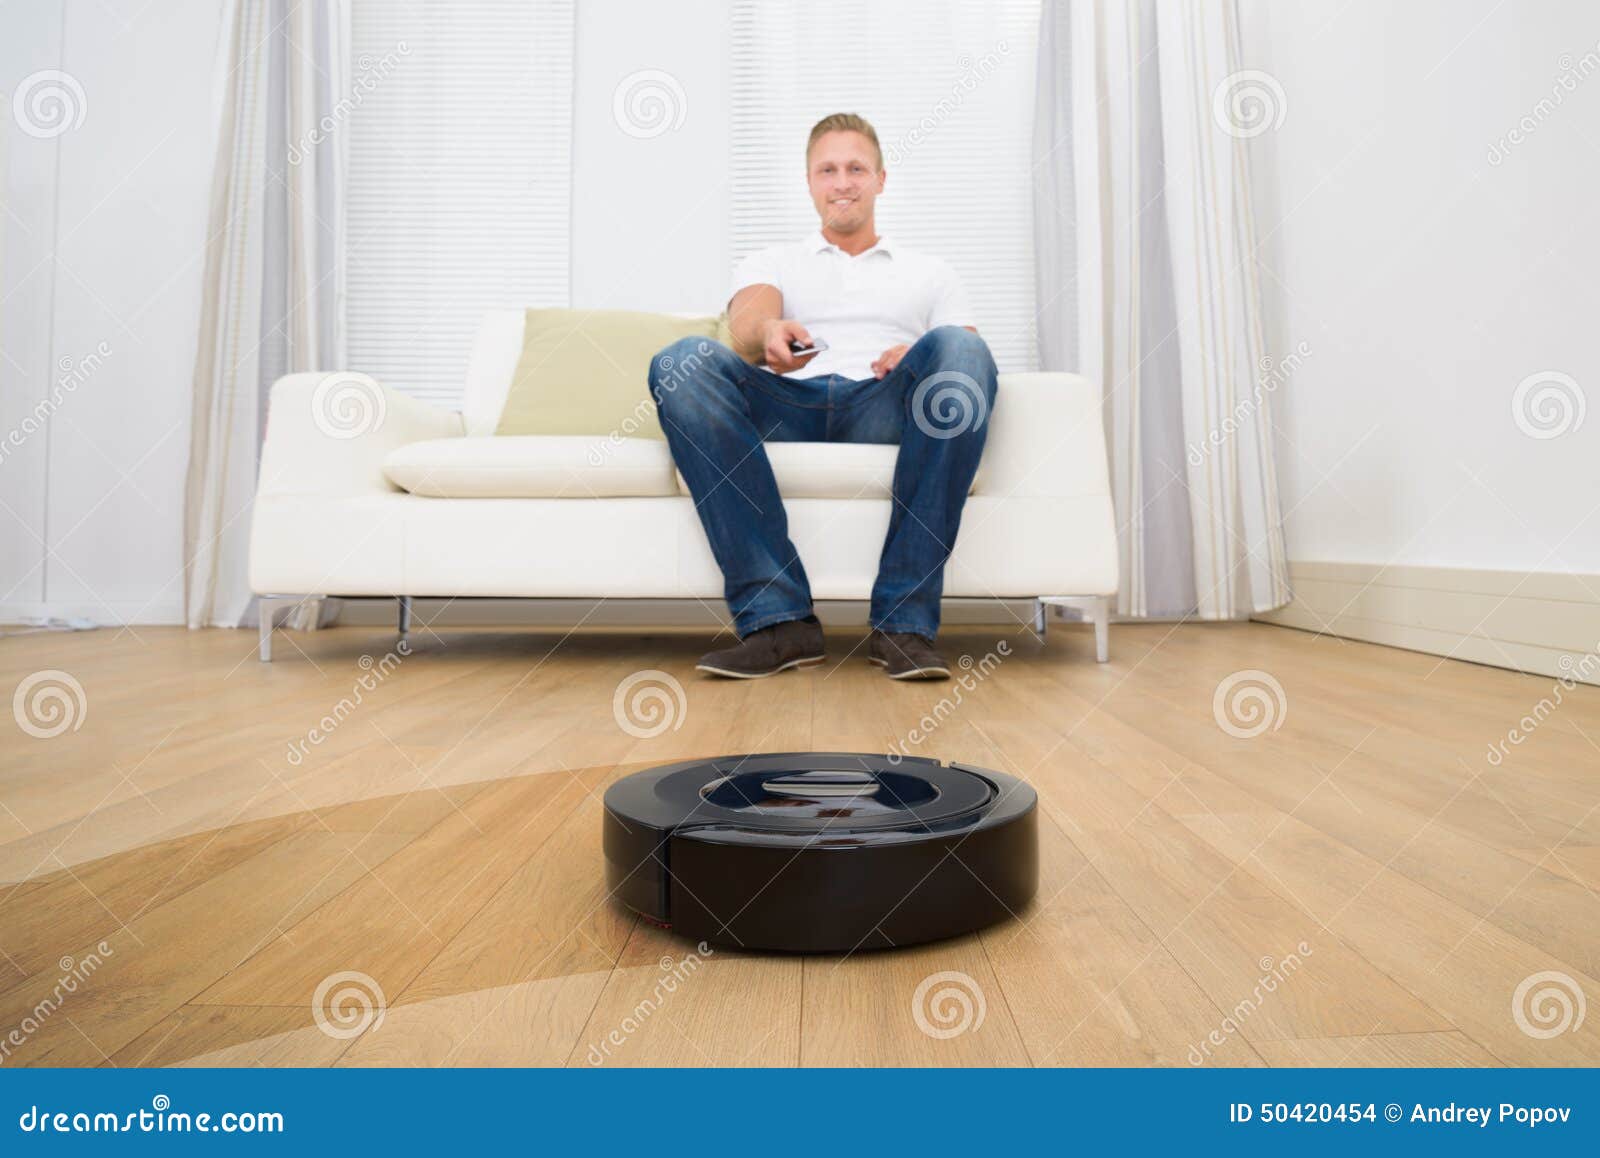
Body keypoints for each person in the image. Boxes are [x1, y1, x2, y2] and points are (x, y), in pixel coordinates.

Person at [649, 112, 997, 681]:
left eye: (856, 168)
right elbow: (746, 322)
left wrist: (918, 355)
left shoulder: (930, 273)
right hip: (787, 402)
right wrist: (768, 333)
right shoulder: (773, 261)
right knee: (680, 362)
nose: (843, 182)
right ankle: (780, 623)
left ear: (881, 179)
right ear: (810, 182)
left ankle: (903, 625)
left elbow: (968, 360)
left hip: (882, 406)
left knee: (959, 351)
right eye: (828, 170)